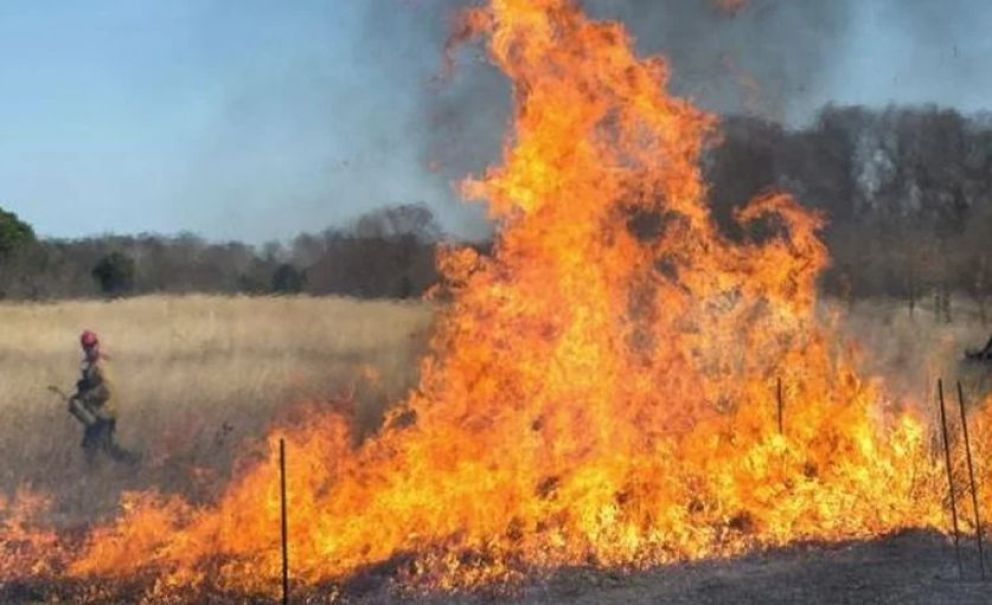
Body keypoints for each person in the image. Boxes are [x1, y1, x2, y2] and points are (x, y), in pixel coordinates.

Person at [70, 330, 135, 464]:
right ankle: (133, 463)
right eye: (87, 346)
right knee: (99, 446)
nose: (90, 348)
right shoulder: (93, 364)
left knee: (100, 447)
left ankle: (134, 462)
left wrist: (85, 396)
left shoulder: (100, 365)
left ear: (97, 344)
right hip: (101, 412)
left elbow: (105, 390)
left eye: (92, 345)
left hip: (104, 413)